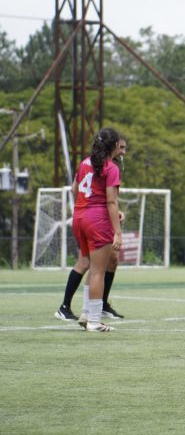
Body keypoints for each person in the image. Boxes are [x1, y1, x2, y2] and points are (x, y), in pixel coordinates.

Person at [55, 136, 127, 323]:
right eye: (121, 147)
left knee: (103, 262)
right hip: (95, 220)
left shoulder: (85, 162)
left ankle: (89, 310)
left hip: (80, 217)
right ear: (112, 146)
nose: (123, 152)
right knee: (94, 268)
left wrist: (89, 204)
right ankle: (91, 317)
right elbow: (110, 201)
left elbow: (74, 189)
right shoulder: (110, 167)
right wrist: (117, 231)